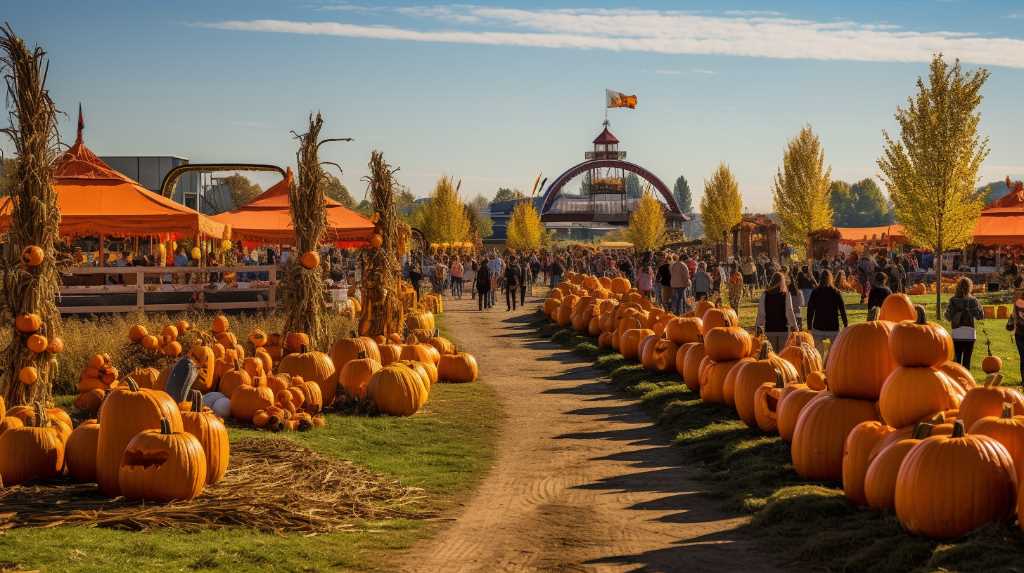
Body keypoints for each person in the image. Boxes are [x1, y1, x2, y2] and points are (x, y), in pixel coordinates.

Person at [944, 277, 984, 369]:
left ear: (957, 287)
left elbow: (948, 317)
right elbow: (980, 316)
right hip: (970, 334)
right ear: (970, 287)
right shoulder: (973, 301)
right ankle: (966, 382)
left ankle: (957, 381)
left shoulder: (953, 300)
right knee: (967, 362)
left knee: (956, 363)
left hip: (957, 334)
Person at [805, 270, 848, 352]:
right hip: (833, 326)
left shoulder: (815, 292)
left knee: (818, 352)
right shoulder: (836, 292)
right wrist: (845, 324)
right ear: (830, 279)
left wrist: (809, 326)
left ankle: (821, 364)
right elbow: (842, 310)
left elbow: (810, 310)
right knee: (833, 353)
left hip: (819, 326)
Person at [755, 272, 798, 351]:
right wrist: (794, 326)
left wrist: (758, 326)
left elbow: (761, 313)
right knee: (782, 355)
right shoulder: (786, 295)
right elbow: (789, 312)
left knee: (772, 356)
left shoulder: (765, 295)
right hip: (783, 329)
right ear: (782, 282)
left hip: (769, 329)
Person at [1007, 298, 1024, 383]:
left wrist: (1010, 324)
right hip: (1020, 334)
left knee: (1023, 357)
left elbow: (1013, 316)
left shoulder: (1017, 303)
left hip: (1019, 334)